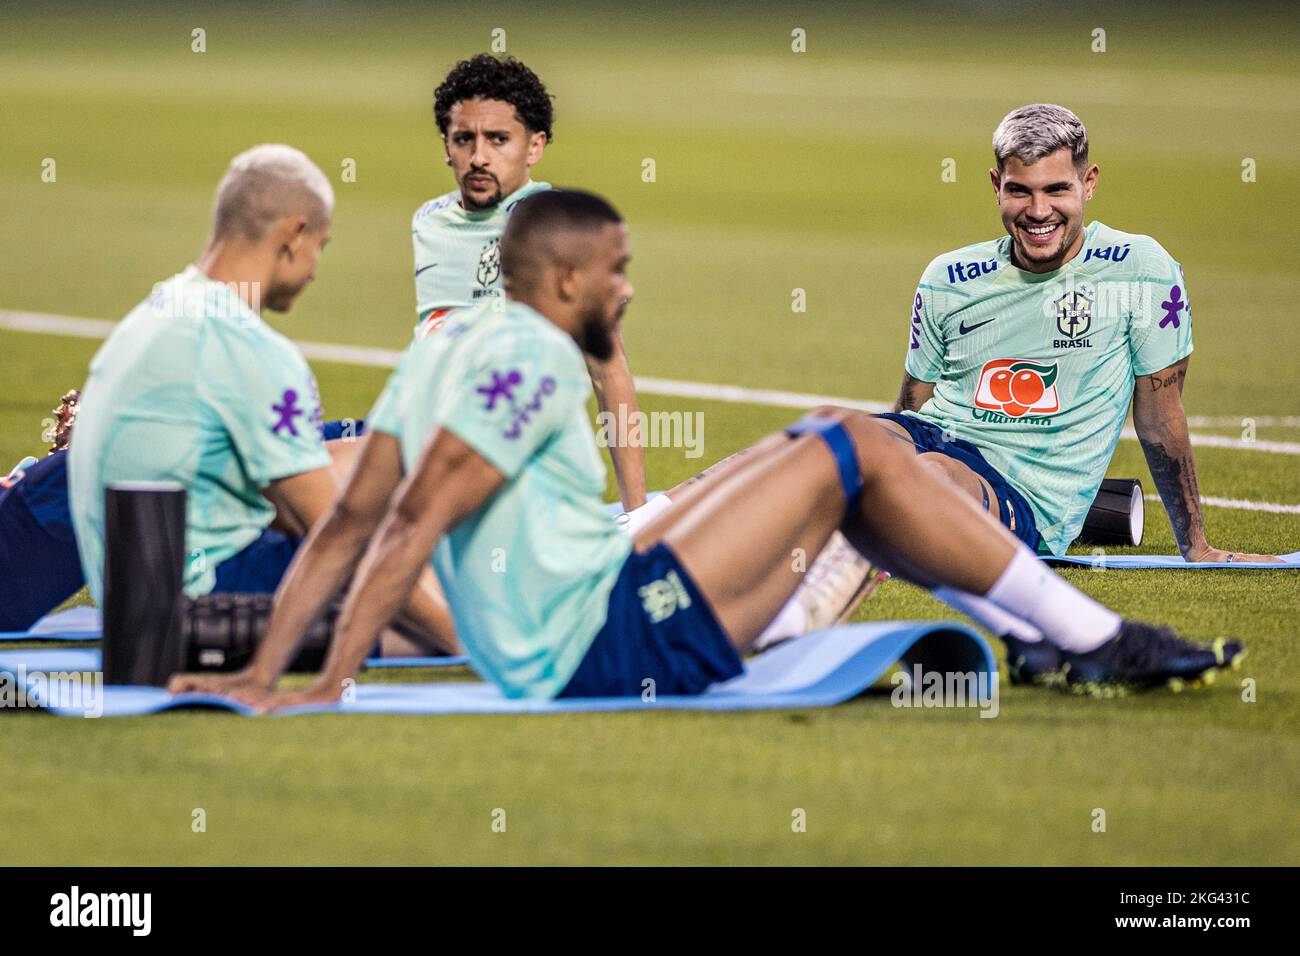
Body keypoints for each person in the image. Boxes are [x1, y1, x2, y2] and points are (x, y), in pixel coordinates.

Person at [170, 189, 1244, 707]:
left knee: (826, 444)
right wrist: (312, 675)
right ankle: (1091, 637)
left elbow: (362, 513)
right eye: (615, 269)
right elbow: (396, 526)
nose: (628, 287)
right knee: (850, 450)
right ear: (562, 282)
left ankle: (1060, 639)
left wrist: (282, 658)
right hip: (623, 637)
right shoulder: (525, 368)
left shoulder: (462, 351)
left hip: (604, 592)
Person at [877, 103, 1279, 682]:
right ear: (996, 186)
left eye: (1056, 190)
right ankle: (695, 557)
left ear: (1088, 183)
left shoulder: (1140, 271)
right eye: (1020, 191)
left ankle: (1052, 636)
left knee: (924, 479)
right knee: (821, 443)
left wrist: (1198, 545)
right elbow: (911, 407)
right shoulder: (947, 276)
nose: (1038, 212)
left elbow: (1161, 418)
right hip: (935, 438)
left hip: (1017, 487)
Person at [65, 144, 456, 653]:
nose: (316, 268)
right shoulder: (247, 346)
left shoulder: (159, 310)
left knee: (383, 462)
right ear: (294, 235)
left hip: (130, 589)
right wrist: (459, 634)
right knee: (450, 578)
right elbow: (338, 537)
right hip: (200, 599)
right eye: (321, 245)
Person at [413, 53, 646, 512]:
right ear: (446, 145)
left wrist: (635, 511)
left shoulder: (558, 230)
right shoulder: (427, 222)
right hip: (428, 449)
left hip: (515, 471)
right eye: (464, 139)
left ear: (534, 147)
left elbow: (607, 371)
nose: (479, 157)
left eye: (499, 139)